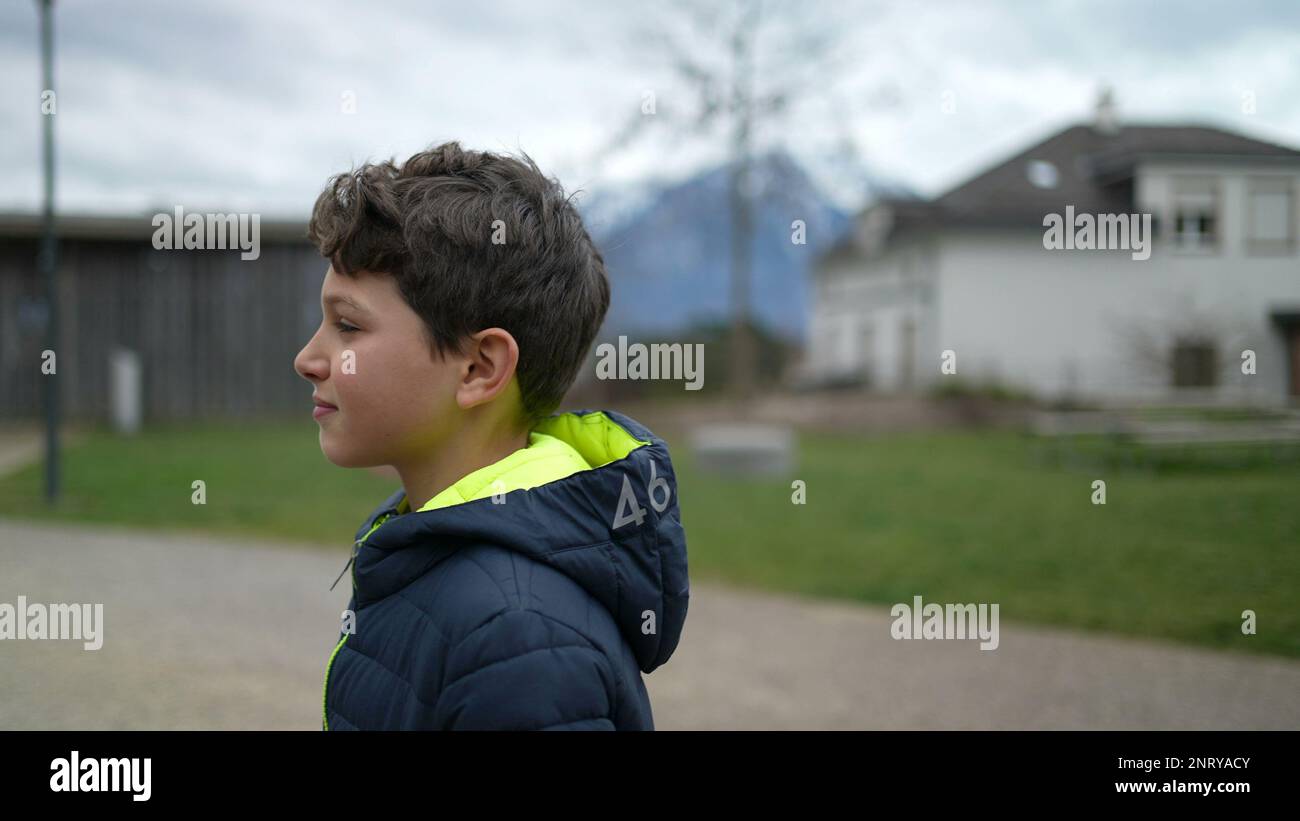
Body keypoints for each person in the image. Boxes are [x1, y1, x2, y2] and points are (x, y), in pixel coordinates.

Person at [293, 141, 689, 730]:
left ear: (479, 368)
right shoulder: (432, 549)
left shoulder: (517, 635)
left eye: (348, 325)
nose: (308, 359)